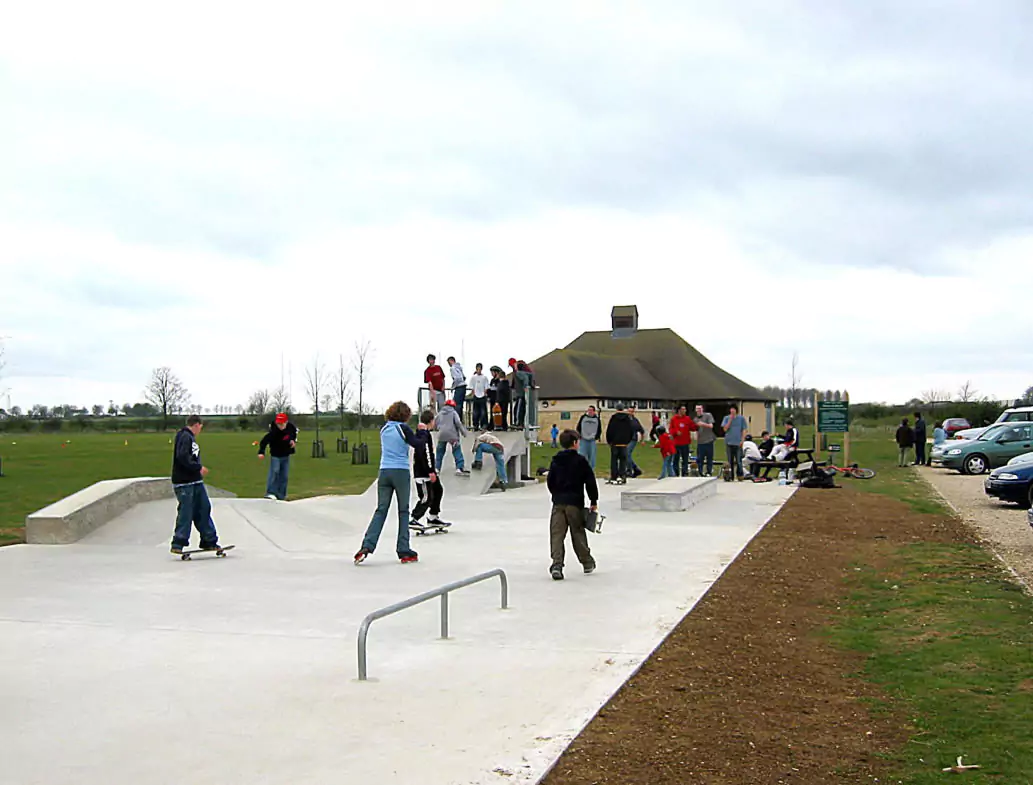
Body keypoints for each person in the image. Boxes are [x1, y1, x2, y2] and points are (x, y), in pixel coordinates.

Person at [354, 401, 422, 565]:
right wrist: (422, 432)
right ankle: (403, 549)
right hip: (400, 471)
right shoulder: (403, 428)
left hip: (384, 472)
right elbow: (417, 444)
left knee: (381, 510)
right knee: (403, 511)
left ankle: (367, 545)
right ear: (405, 415)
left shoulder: (384, 429)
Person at [546, 429, 598, 581]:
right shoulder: (580, 461)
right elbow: (590, 482)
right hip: (574, 503)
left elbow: (550, 481)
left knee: (557, 535)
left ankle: (557, 565)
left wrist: (556, 495)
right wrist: (593, 500)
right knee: (578, 532)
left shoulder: (556, 460)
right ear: (575, 443)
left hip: (558, 503)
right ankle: (587, 562)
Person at [170, 414, 221, 555]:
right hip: (184, 483)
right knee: (186, 512)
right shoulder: (185, 436)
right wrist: (197, 467)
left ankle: (209, 540)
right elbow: (182, 457)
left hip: (195, 481)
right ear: (197, 425)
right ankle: (178, 542)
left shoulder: (189, 438)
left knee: (203, 509)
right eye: (200, 428)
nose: (200, 431)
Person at [410, 409, 450, 530]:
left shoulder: (424, 433)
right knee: (426, 498)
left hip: (428, 470)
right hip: (423, 473)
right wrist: (430, 471)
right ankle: (414, 519)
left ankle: (433, 517)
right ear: (431, 421)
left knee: (438, 490)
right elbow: (425, 453)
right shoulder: (423, 434)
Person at [257, 412, 298, 500]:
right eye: (278, 424)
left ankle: (281, 495)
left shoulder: (291, 428)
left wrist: (293, 440)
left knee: (284, 475)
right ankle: (270, 493)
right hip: (276, 455)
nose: (280, 426)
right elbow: (264, 441)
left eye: (282, 424)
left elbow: (293, 434)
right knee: (274, 472)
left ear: (286, 422)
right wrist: (261, 452)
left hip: (286, 455)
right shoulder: (274, 432)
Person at [434, 399, 470, 475]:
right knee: (457, 451)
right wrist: (464, 432)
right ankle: (459, 468)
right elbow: (458, 423)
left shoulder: (440, 413)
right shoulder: (453, 412)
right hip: (452, 436)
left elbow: (435, 423)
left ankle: (437, 468)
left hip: (442, 435)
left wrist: (439, 429)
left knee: (439, 452)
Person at [606, 403, 635, 482]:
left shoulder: (613, 418)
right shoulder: (627, 418)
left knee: (614, 460)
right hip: (624, 443)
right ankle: (622, 475)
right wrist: (628, 440)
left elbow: (610, 430)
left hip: (615, 443)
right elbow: (631, 430)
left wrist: (609, 441)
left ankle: (614, 476)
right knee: (623, 460)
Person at [669, 405, 698, 477]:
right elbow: (671, 429)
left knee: (685, 459)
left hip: (685, 443)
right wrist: (676, 432)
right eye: (683, 409)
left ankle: (685, 473)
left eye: (685, 409)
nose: (685, 411)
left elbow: (692, 427)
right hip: (676, 443)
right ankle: (676, 473)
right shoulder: (674, 419)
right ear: (679, 410)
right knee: (676, 459)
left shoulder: (687, 419)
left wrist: (697, 425)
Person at [722, 404, 748, 480]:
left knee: (739, 461)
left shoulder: (741, 418)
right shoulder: (726, 418)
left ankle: (740, 475)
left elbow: (744, 429)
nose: (732, 411)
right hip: (729, 442)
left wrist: (742, 440)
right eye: (731, 409)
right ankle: (730, 476)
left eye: (734, 409)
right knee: (730, 461)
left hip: (738, 442)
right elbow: (725, 429)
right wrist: (730, 419)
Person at [575, 405, 602, 470]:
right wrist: (579, 435)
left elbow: (599, 429)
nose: (589, 411)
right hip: (583, 440)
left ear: (594, 411)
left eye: (591, 410)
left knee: (592, 457)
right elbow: (578, 427)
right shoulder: (583, 417)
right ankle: (581, 470)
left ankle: (591, 471)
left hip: (592, 441)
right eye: (588, 410)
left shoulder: (597, 419)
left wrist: (596, 437)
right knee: (582, 456)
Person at [693, 404, 716, 476]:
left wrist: (702, 424)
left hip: (709, 440)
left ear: (702, 409)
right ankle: (700, 472)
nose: (698, 410)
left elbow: (711, 426)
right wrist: (696, 436)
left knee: (709, 458)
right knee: (700, 458)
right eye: (697, 409)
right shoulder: (695, 419)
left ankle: (709, 472)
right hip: (700, 442)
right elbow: (696, 429)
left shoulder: (708, 415)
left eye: (700, 408)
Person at [511, 360, 532, 429]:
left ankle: (519, 423)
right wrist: (531, 385)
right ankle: (520, 423)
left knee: (518, 409)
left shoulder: (518, 373)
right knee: (522, 409)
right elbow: (529, 375)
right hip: (521, 394)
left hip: (520, 394)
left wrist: (526, 386)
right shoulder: (527, 373)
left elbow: (525, 378)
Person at [626, 406, 645, 478]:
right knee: (626, 455)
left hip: (633, 439)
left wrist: (642, 440)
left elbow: (641, 430)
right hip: (625, 439)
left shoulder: (635, 421)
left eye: (631, 411)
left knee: (627, 453)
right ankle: (635, 469)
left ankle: (630, 470)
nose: (630, 413)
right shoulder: (624, 420)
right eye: (629, 411)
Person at [470, 363, 490, 430]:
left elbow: (486, 387)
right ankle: (475, 425)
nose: (478, 370)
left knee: (483, 411)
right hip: (476, 395)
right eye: (477, 369)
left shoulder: (484, 378)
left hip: (482, 396)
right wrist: (473, 394)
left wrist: (484, 393)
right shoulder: (473, 377)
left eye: (479, 369)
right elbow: (472, 387)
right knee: (475, 412)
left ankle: (483, 424)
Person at [492, 366, 511, 431]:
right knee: (503, 413)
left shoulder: (501, 384)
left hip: (501, 401)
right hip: (504, 400)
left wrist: (497, 401)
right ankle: (503, 425)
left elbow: (499, 393)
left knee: (501, 414)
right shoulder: (506, 383)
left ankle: (502, 425)